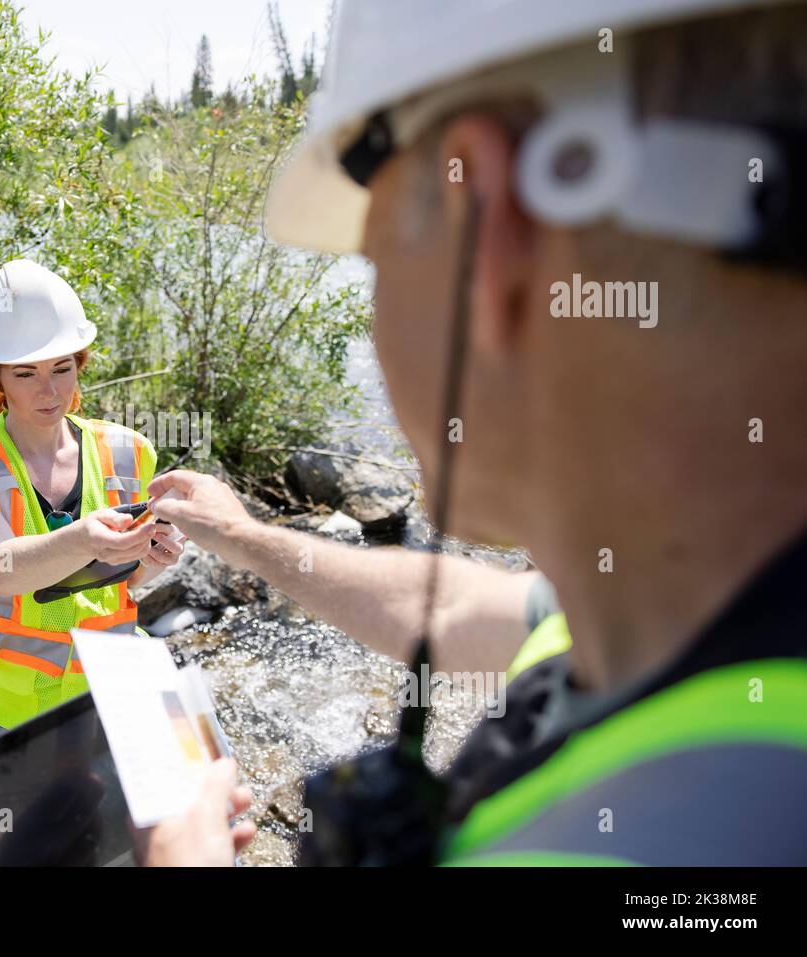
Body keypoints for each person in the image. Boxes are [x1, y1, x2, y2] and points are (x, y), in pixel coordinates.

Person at [142, 0, 807, 865]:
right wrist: (248, 538)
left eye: (374, 260)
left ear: (480, 219)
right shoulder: (662, 601)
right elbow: (463, 603)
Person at [0, 259, 183, 744]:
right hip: (12, 709)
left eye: (63, 368)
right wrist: (85, 538)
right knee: (35, 823)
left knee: (157, 812)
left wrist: (152, 560)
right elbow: (1, 570)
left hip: (118, 683)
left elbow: (120, 587)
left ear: (80, 363)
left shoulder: (128, 451)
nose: (50, 390)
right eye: (26, 374)